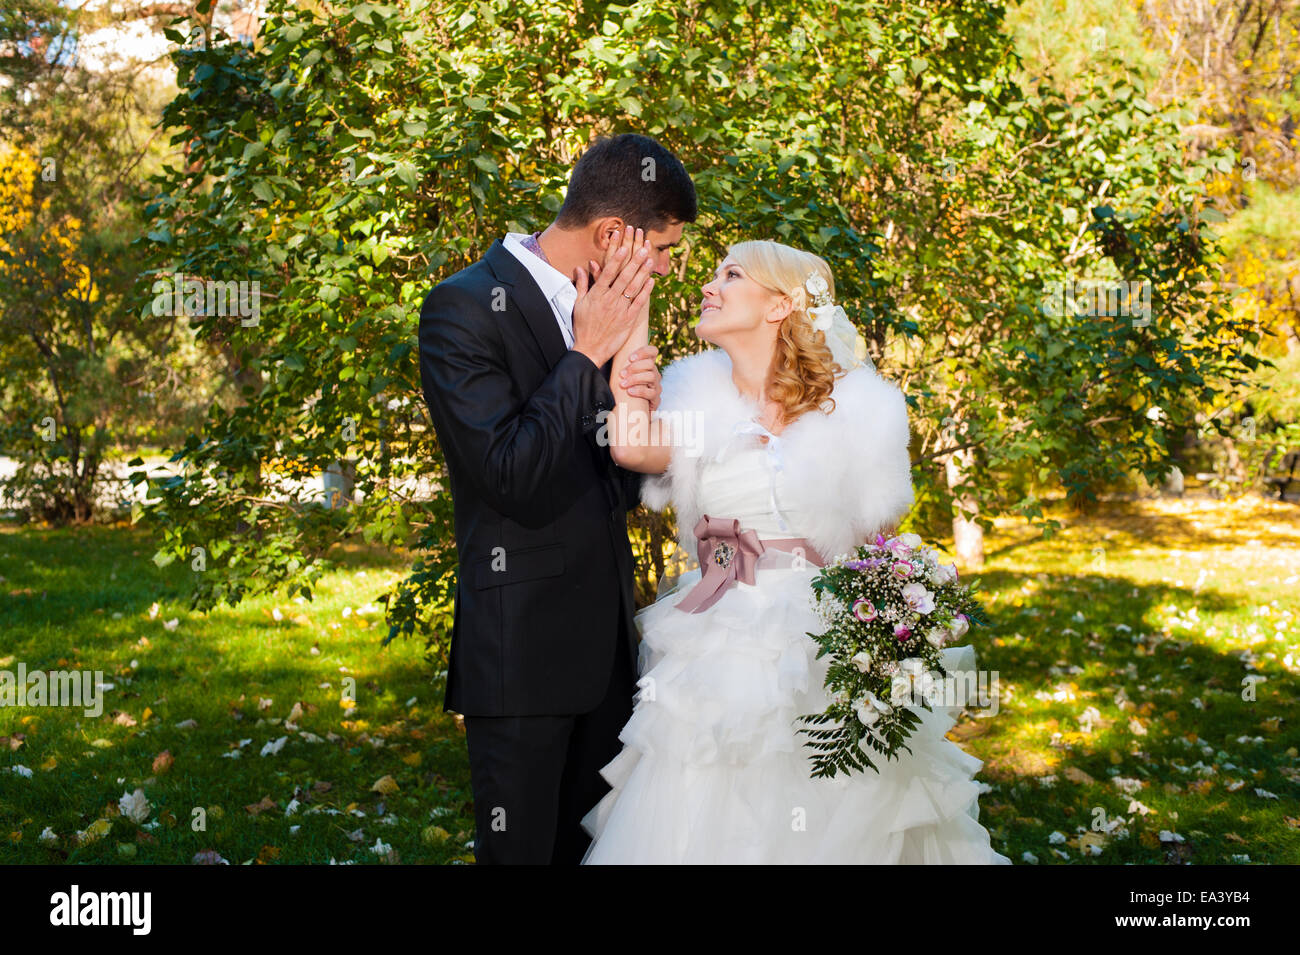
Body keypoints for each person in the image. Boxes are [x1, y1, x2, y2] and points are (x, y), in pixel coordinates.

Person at [581, 238, 1012, 864]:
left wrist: (893, 625)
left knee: (839, 799)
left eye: (730, 275)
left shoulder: (860, 408)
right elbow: (630, 448)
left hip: (825, 637)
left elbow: (872, 546)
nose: (709, 285)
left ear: (781, 305)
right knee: (711, 789)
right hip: (720, 635)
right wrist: (634, 313)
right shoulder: (695, 396)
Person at [417, 133, 696, 864]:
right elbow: (508, 471)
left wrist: (634, 426)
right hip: (522, 661)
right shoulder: (463, 307)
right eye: (664, 249)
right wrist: (583, 355)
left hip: (607, 652)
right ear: (611, 234)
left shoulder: (611, 313)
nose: (667, 268)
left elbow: (618, 488)